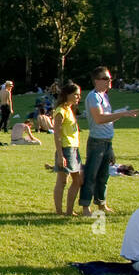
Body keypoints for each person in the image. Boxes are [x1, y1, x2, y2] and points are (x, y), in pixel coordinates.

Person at [79, 66, 139, 218]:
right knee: (91, 174)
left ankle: (101, 203)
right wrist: (122, 113)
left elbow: (107, 118)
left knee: (104, 175)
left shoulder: (103, 96)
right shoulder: (93, 97)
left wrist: (121, 114)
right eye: (105, 78)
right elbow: (99, 118)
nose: (109, 81)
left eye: (109, 78)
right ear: (96, 81)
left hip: (107, 141)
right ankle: (85, 206)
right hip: (97, 142)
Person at [52, 81, 83, 216]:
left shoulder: (69, 109)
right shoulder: (60, 111)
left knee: (74, 180)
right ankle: (61, 211)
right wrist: (60, 155)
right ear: (67, 95)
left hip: (74, 148)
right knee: (65, 180)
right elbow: (57, 134)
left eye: (79, 95)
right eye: (76, 95)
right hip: (66, 148)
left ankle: (68, 211)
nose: (78, 98)